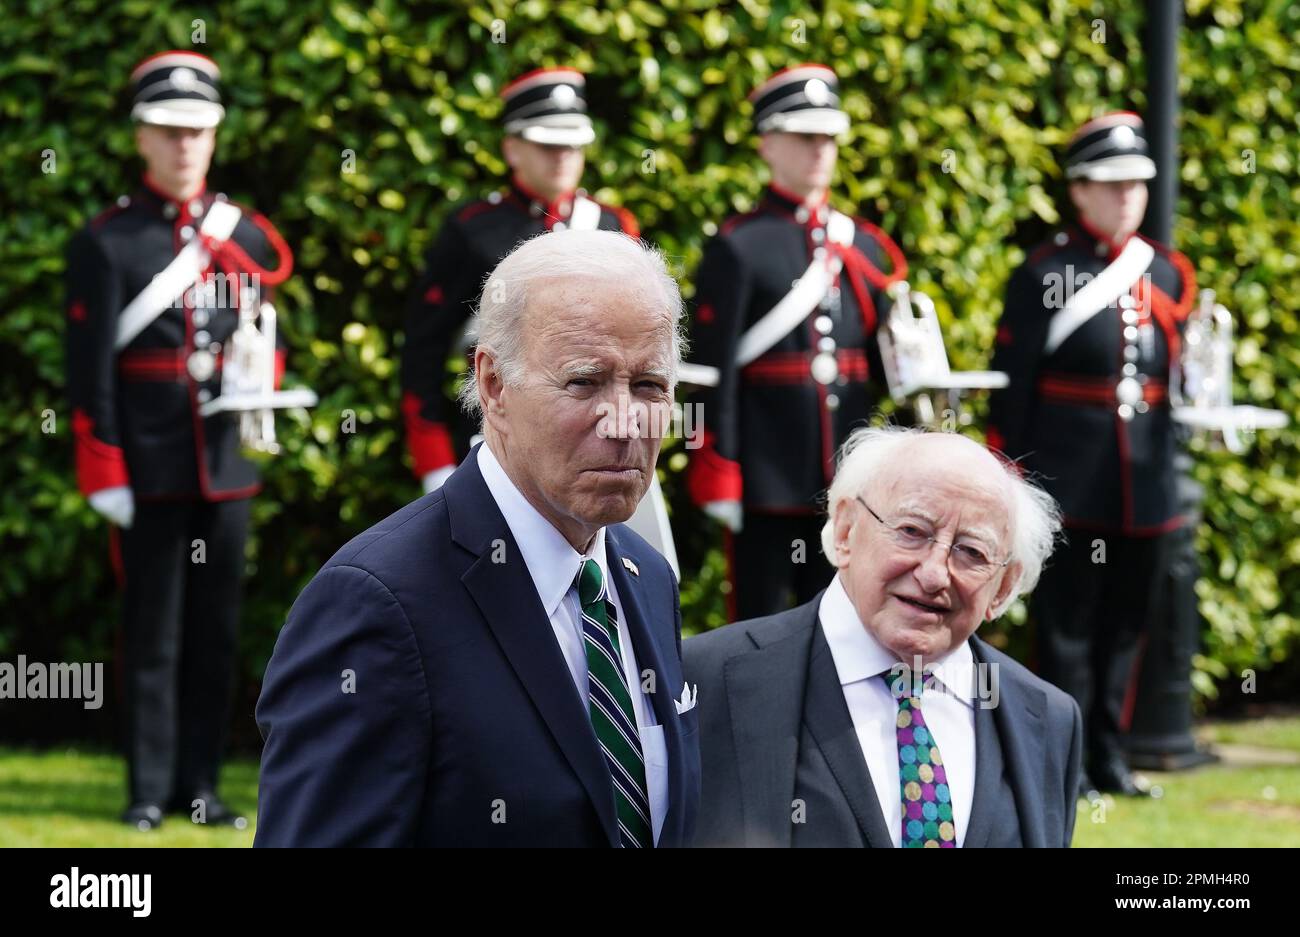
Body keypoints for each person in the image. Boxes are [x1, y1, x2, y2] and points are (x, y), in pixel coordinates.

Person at [255, 230, 700, 847]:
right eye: (584, 382)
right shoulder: (378, 603)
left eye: (649, 385)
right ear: (492, 385)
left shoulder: (646, 578)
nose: (624, 421)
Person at [64, 50, 295, 830]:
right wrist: (102, 465)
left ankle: (203, 788)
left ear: (216, 135)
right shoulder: (107, 241)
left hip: (226, 460)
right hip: (150, 461)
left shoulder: (245, 236)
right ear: (141, 138)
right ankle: (146, 789)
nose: (184, 144)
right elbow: (89, 367)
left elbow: (263, 334)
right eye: (168, 130)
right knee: (152, 634)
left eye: (197, 130)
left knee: (216, 632)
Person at [684, 427, 1082, 847]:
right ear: (845, 531)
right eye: (911, 531)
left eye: (971, 552)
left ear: (1002, 588)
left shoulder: (1047, 719)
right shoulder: (707, 681)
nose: (933, 574)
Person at [986, 111, 1196, 796]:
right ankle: (1063, 762)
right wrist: (1009, 478)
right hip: (1068, 481)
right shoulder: (1044, 271)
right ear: (1079, 191)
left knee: (1125, 631)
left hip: (1145, 484)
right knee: (1066, 633)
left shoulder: (1165, 271)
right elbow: (1014, 389)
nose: (1126, 197)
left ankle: (1110, 755)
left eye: (1136, 184)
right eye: (1111, 185)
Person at [686, 64, 908, 620]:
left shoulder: (865, 246)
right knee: (760, 622)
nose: (819, 149)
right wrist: (717, 463)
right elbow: (710, 372)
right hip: (766, 474)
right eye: (804, 136)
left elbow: (887, 368)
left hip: (850, 475)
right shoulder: (739, 246)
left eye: (828, 137)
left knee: (845, 622)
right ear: (767, 145)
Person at [401, 67, 639, 495]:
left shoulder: (613, 226)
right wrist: (434, 457)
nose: (563, 154)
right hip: (495, 439)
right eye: (547, 143)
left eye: (573, 143)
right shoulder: (472, 230)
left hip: (598, 435)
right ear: (512, 148)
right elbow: (424, 348)